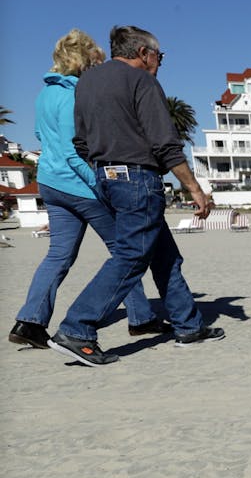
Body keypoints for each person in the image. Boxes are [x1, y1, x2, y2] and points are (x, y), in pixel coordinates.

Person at [47, 25, 223, 366]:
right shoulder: (143, 82)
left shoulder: (87, 83)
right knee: (130, 257)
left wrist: (107, 166)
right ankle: (77, 328)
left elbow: (81, 143)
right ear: (144, 53)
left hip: (107, 178)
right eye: (160, 55)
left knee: (163, 254)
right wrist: (195, 188)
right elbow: (165, 144)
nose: (160, 62)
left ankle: (188, 325)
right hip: (138, 179)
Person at [9, 30, 169, 350]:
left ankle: (29, 322)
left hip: (50, 183)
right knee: (126, 250)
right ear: (84, 60)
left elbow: (41, 133)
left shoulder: (45, 93)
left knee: (58, 256)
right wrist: (100, 184)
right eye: (95, 60)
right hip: (78, 186)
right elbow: (74, 152)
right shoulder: (74, 94)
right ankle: (139, 318)